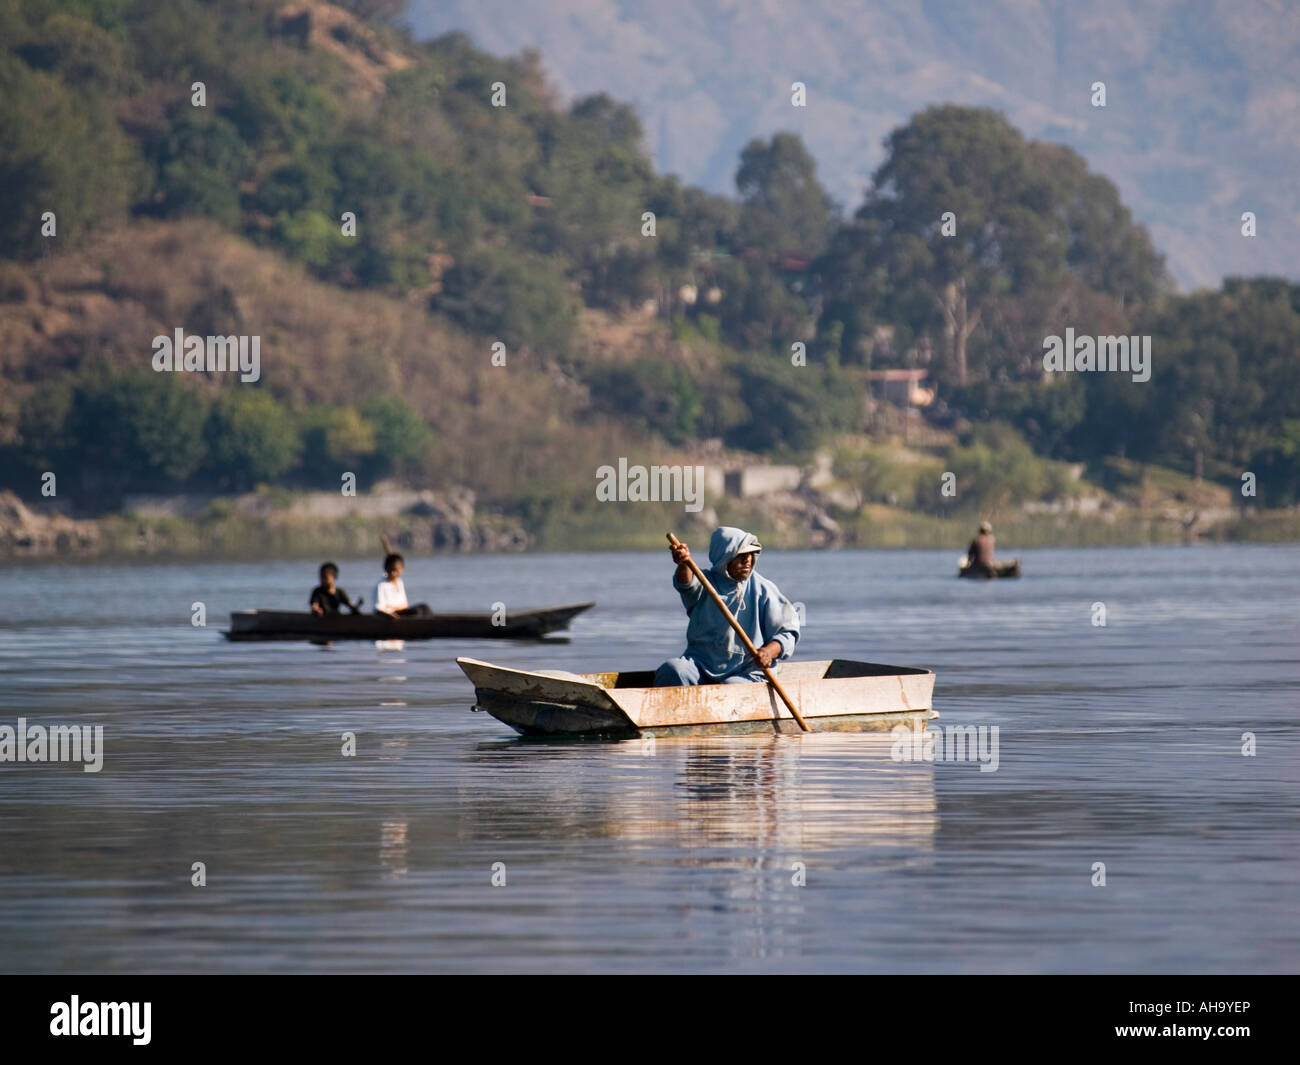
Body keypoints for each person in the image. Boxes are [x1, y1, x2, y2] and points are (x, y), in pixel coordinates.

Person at [654, 526, 801, 686]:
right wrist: (683, 564)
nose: (748, 560)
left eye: (751, 554)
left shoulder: (763, 589)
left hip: (747, 671)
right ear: (724, 557)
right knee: (673, 670)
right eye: (741, 555)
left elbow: (788, 632)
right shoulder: (704, 582)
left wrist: (767, 652)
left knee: (730, 687)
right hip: (701, 666)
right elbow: (686, 584)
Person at [374, 553, 433, 618]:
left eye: (395, 570)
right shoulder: (381, 585)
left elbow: (405, 604)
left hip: (402, 611)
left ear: (402, 569)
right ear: (385, 569)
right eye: (390, 570)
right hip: (391, 614)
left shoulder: (399, 582)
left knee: (424, 607)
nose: (393, 573)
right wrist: (390, 614)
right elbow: (378, 608)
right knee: (417, 612)